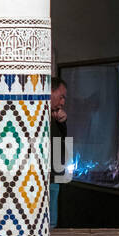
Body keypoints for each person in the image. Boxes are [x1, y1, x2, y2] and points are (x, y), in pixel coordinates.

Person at [49, 77, 68, 228]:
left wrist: (62, 123)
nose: (62, 102)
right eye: (61, 97)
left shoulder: (56, 117)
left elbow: (61, 142)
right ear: (51, 91)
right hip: (43, 178)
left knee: (52, 223)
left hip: (54, 176)